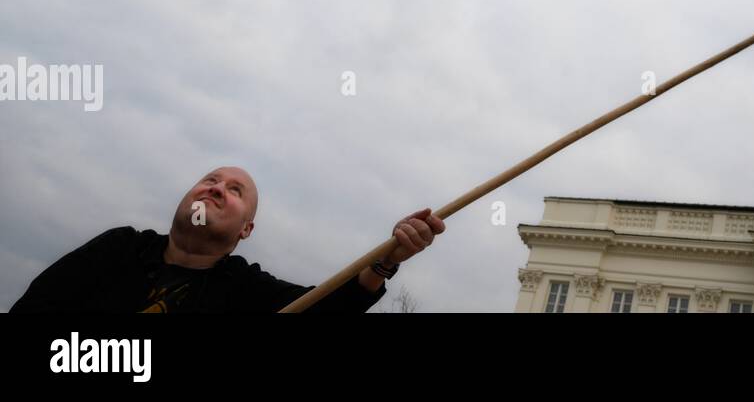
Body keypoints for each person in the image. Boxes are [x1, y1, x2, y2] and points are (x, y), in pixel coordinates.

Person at [9, 165, 445, 312]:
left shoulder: (241, 290)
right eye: (210, 180)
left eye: (234, 191)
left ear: (245, 231)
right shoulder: (118, 249)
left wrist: (387, 259)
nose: (216, 188)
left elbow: (328, 307)